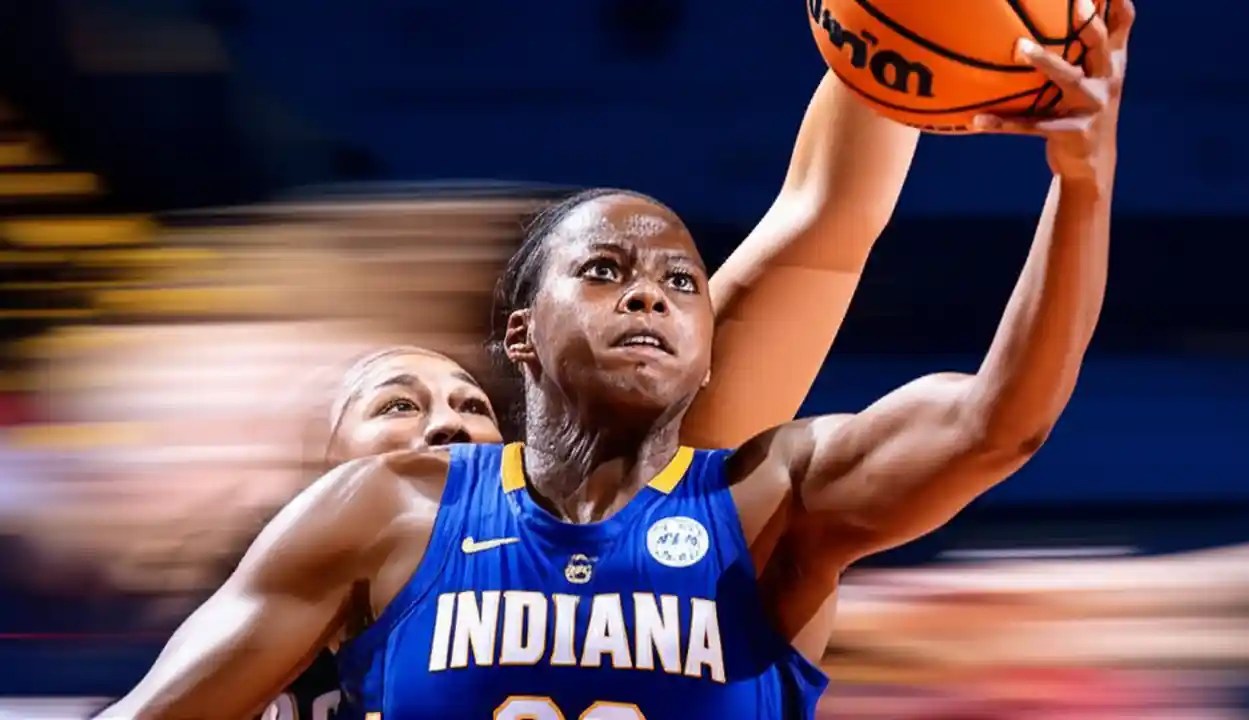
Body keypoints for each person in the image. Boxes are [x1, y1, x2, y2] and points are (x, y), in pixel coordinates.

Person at [100, 2, 1134, 716]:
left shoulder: (720, 501)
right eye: (396, 407)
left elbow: (826, 224)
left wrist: (914, 61)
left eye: (464, 403)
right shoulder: (350, 534)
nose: (446, 425)